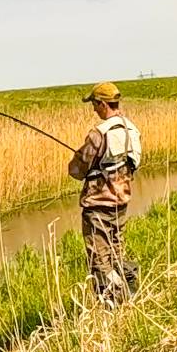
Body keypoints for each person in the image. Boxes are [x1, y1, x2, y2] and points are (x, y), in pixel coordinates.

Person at [67, 82, 142, 306]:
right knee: (116, 252)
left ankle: (113, 306)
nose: (93, 109)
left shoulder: (98, 134)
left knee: (99, 260)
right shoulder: (132, 130)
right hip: (121, 203)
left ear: (102, 104)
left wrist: (80, 159)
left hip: (98, 206)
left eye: (94, 104)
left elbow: (75, 171)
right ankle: (129, 289)